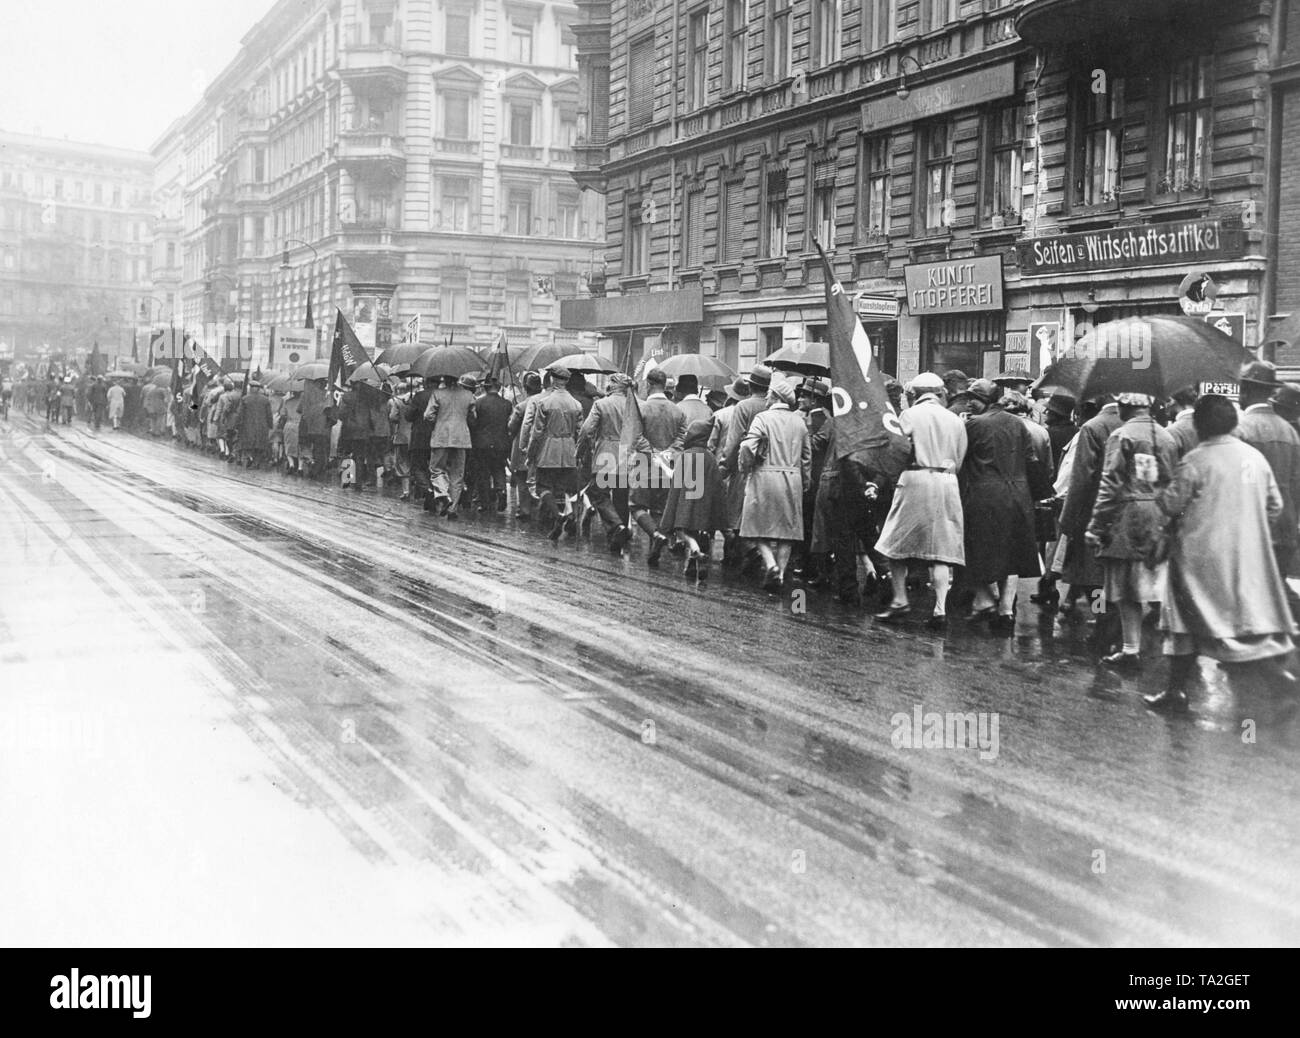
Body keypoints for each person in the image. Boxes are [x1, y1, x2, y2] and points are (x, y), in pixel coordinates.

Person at [1148, 395, 1298, 710]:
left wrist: (1158, 484)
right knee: (1240, 624)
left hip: (1198, 559)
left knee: (1184, 624)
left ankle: (1176, 691)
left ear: (1200, 424)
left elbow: (1170, 506)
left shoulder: (1195, 461)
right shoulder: (1255, 458)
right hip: (1246, 557)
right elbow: (1275, 506)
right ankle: (1276, 678)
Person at [1085, 393, 1179, 669]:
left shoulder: (1121, 435)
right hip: (1159, 513)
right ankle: (1168, 650)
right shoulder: (1166, 436)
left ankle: (1130, 649)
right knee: (1155, 584)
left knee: (1126, 588)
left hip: (1127, 516)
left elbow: (1110, 483)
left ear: (1126, 406)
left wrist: (1096, 525)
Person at [874, 372, 968, 629]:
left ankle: (900, 600)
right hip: (947, 482)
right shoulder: (955, 420)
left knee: (894, 544)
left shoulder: (909, 416)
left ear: (913, 394)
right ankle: (939, 609)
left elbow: (897, 449)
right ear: (940, 393)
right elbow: (959, 459)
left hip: (915, 479)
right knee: (941, 551)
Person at [960, 379, 1052, 635]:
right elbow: (1032, 460)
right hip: (1018, 495)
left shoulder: (974, 424)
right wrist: (1040, 495)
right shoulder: (1018, 424)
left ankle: (986, 599)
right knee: (1011, 555)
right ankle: (1006, 611)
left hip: (986, 495)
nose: (969, 402)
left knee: (974, 548)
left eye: (974, 398)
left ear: (987, 401)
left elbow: (963, 461)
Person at [738, 377, 812, 592]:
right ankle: (779, 573)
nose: (767, 397)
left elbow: (747, 447)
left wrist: (745, 468)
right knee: (786, 532)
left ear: (776, 396)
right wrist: (805, 481)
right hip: (793, 479)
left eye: (770, 393)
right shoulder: (800, 422)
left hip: (764, 477)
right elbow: (807, 457)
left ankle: (769, 564)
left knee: (755, 527)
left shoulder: (762, 418)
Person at [1235, 361, 1300, 589]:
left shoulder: (1241, 428)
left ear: (1246, 390)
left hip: (1252, 526)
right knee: (1275, 592)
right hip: (1285, 526)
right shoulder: (1289, 431)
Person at [1058, 394, 1123, 619]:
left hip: (1093, 509)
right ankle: (1116, 623)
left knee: (1093, 573)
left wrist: (1067, 518)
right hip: (1125, 512)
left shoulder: (1092, 427)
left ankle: (1101, 618)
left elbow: (1081, 477)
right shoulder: (1138, 426)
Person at [659, 418, 729, 581]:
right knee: (700, 531)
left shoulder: (686, 455)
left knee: (681, 530)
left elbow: (675, 477)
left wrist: (661, 465)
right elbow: (717, 483)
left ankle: (696, 551)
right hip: (704, 503)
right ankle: (692, 562)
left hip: (686, 501)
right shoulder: (710, 457)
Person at [580, 372, 640, 554]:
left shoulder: (601, 404)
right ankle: (619, 532)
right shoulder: (635, 405)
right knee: (621, 495)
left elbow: (586, 430)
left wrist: (580, 449)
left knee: (599, 493)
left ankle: (616, 527)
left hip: (606, 451)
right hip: (627, 453)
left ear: (613, 385)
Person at [633, 367, 688, 565]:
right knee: (659, 509)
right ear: (664, 386)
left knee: (636, 506)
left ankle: (655, 536)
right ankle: (654, 546)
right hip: (669, 465)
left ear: (648, 384)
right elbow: (683, 436)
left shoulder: (640, 408)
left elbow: (636, 435)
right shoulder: (678, 410)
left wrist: (652, 452)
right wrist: (669, 452)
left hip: (645, 463)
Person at [720, 365, 773, 566]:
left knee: (735, 516)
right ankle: (754, 552)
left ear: (750, 385)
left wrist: (725, 465)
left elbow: (733, 443)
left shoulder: (743, 407)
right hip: (768, 469)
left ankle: (745, 553)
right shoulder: (771, 406)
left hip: (744, 469)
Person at [527, 365, 583, 539]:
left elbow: (536, 432)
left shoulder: (545, 403)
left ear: (552, 380)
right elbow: (580, 431)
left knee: (543, 486)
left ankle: (558, 515)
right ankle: (571, 515)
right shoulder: (576, 404)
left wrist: (531, 454)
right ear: (566, 381)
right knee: (566, 488)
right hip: (569, 449)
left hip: (549, 448)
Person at [424, 374, 477, 516]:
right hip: (461, 438)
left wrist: (439, 419)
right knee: (457, 474)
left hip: (441, 436)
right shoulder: (468, 395)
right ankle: (452, 508)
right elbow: (473, 416)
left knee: (436, 469)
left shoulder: (438, 393)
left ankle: (442, 494)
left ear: (445, 380)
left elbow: (428, 415)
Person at [469, 375, 513, 512]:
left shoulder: (478, 403)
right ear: (499, 387)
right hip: (502, 443)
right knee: (499, 468)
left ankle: (485, 502)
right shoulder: (507, 404)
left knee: (483, 473)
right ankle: (501, 491)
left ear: (485, 387)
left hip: (482, 443)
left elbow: (473, 423)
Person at [507, 371, 544, 520]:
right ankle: (540, 506)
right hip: (542, 447)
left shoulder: (521, 406)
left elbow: (512, 427)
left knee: (522, 479)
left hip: (523, 447)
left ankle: (525, 509)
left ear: (525, 388)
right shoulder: (546, 401)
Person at [233, 377, 275, 467]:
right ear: (259, 389)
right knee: (259, 445)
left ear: (251, 388)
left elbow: (240, 413)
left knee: (248, 444)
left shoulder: (245, 399)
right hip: (262, 427)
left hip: (247, 426)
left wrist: (236, 425)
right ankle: (256, 462)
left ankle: (250, 458)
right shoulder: (265, 400)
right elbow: (269, 414)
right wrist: (270, 425)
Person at [1165, 387, 1199, 458]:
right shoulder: (1208, 423)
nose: (1166, 406)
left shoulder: (1172, 431)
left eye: (1167, 401)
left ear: (1173, 401)